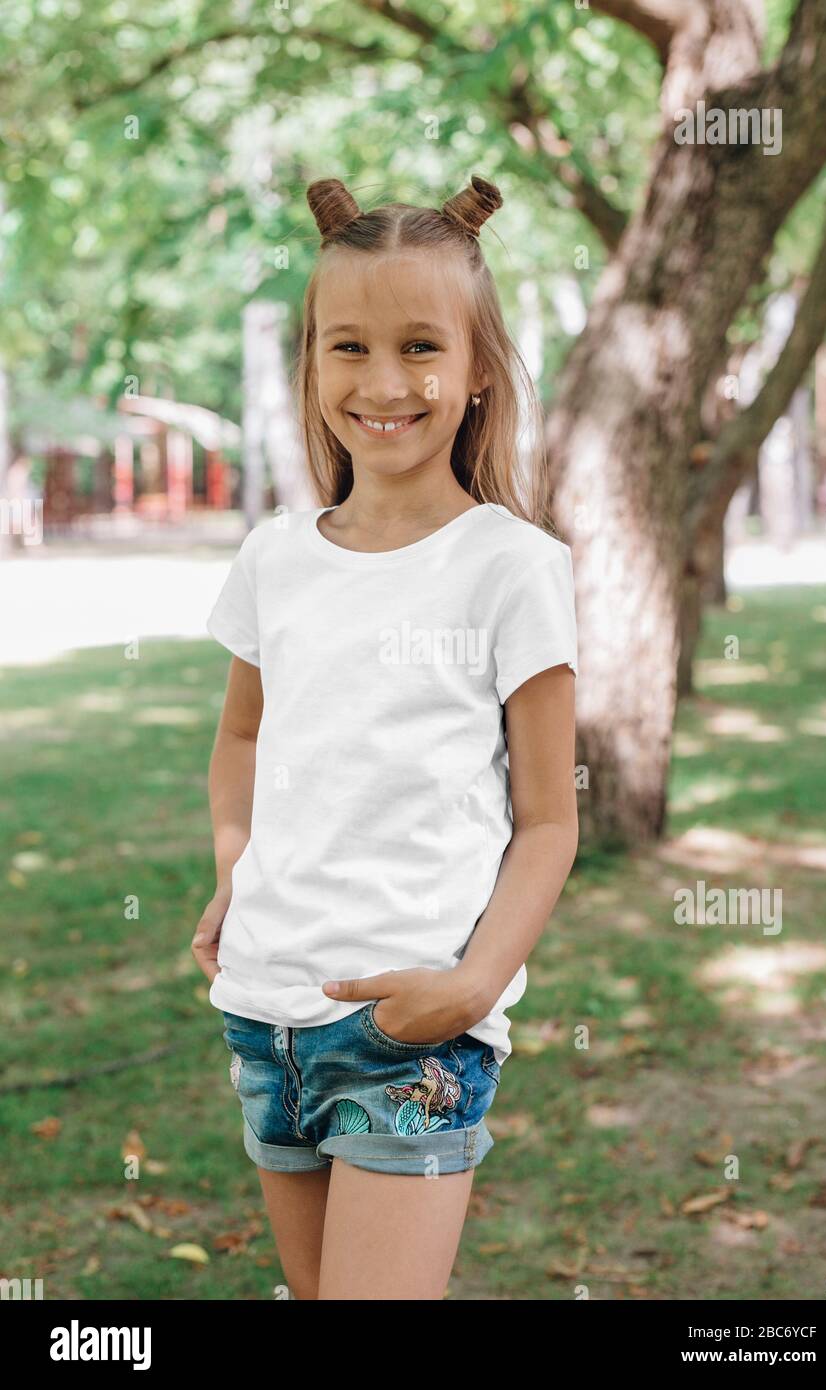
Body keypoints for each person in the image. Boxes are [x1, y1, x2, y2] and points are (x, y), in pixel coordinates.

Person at [192, 174, 579, 1300]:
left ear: (477, 369)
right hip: (266, 1017)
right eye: (348, 347)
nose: (384, 382)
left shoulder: (512, 567)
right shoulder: (275, 556)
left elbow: (549, 821)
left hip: (412, 1027)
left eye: (420, 347)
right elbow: (241, 739)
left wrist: (472, 987)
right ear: (311, 366)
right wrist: (236, 873)